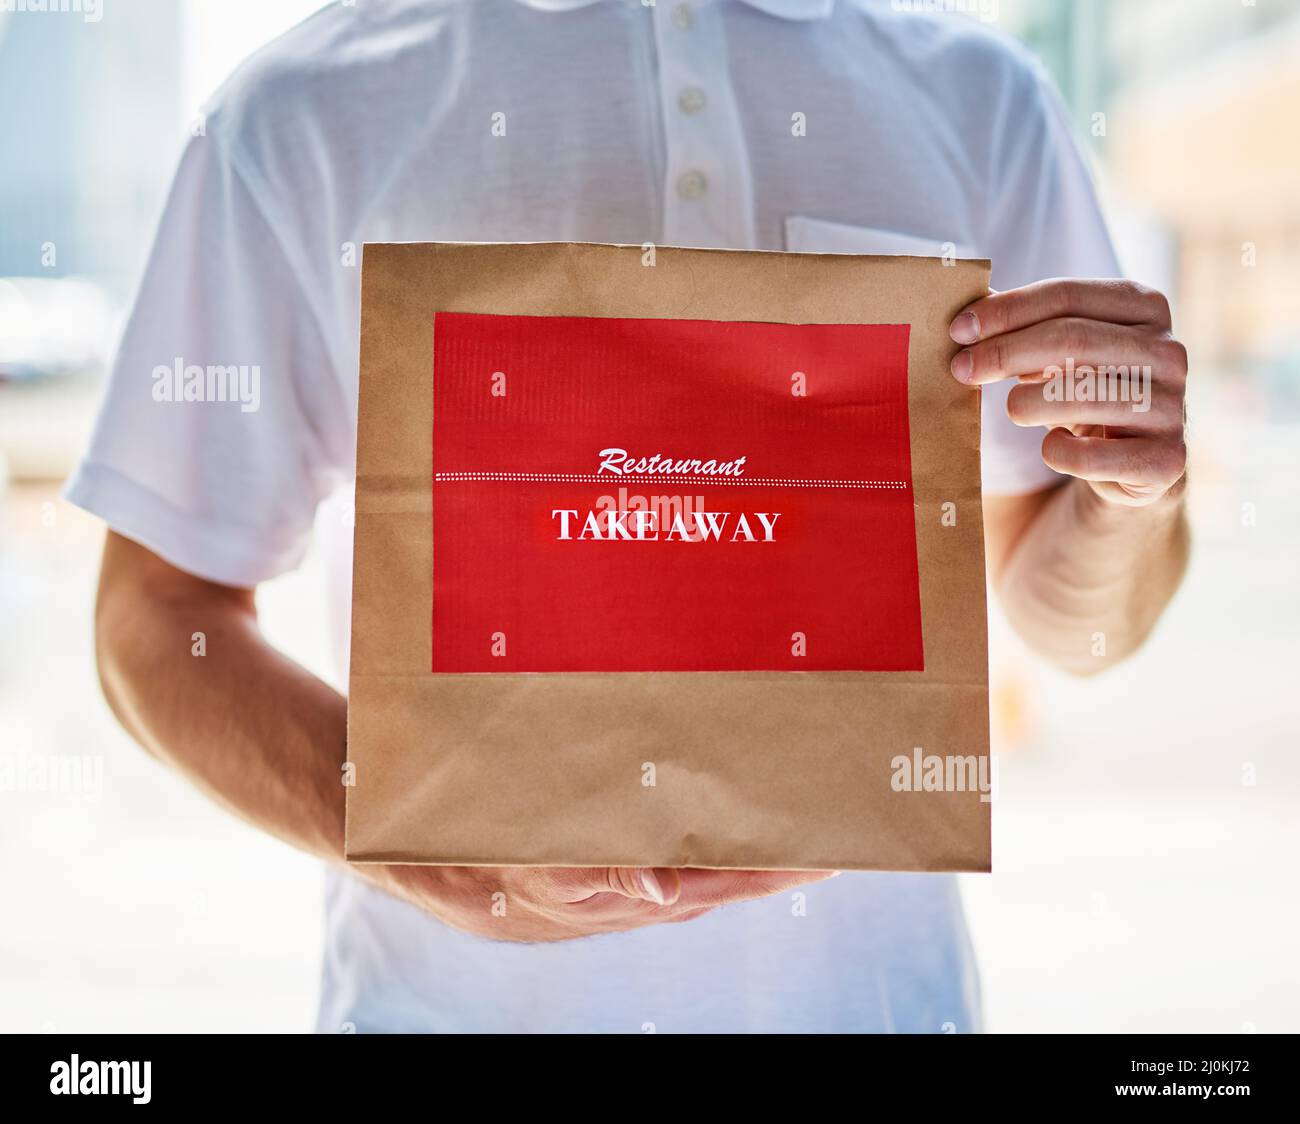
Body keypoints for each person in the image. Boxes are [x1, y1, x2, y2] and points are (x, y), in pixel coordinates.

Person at [67, 0, 1189, 1033]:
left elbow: (1072, 623)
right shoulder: (300, 109)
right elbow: (156, 615)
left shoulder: (979, 97)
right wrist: (417, 845)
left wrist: (1125, 500)